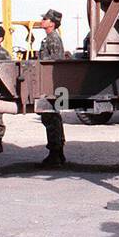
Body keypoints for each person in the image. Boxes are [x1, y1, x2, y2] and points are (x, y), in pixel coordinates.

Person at [37, 9, 67, 167]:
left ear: (52, 23)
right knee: (51, 117)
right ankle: (57, 153)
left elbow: (56, 62)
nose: (43, 20)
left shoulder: (53, 39)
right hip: (50, 84)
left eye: (45, 19)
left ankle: (55, 154)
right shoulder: (49, 38)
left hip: (52, 85)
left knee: (51, 117)